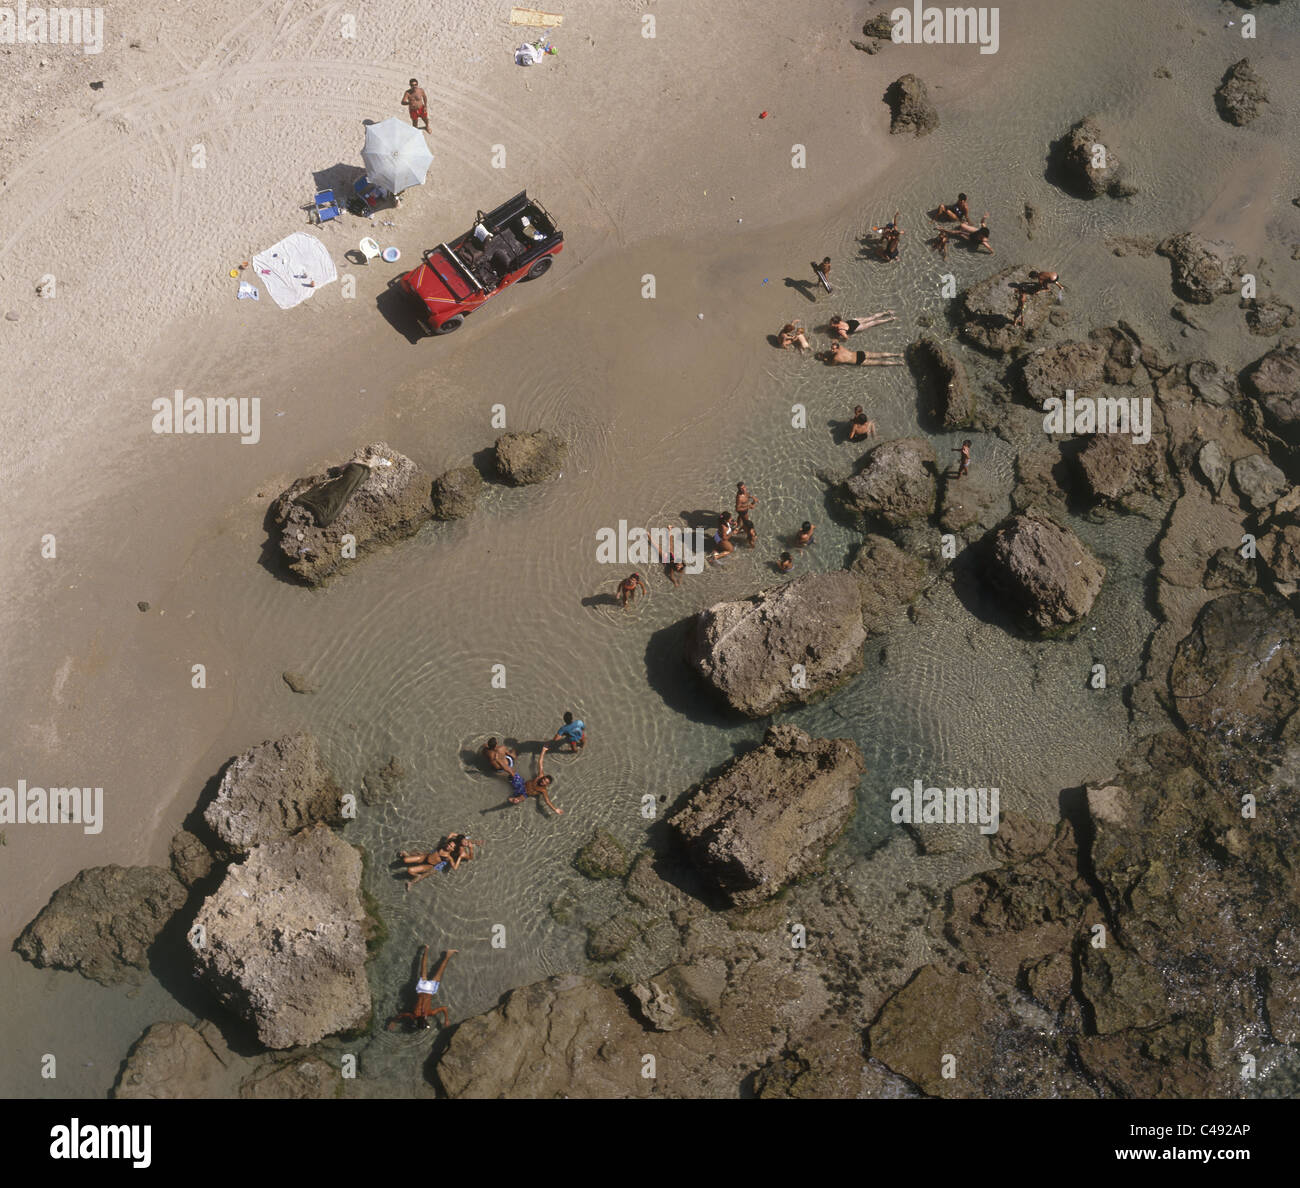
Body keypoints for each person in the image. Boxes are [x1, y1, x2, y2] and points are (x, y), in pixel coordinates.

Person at [387, 947, 455, 1030]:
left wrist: (446, 1020)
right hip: (421, 989)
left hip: (430, 990)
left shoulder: (430, 1013)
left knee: (440, 970)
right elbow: (401, 1015)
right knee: (423, 968)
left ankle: (448, 954)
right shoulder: (413, 1015)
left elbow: (444, 1008)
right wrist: (394, 1021)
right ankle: (426, 949)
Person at [508, 746, 563, 814]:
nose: (543, 782)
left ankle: (512, 798)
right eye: (544, 780)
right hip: (522, 784)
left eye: (545, 782)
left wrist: (555, 809)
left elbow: (547, 801)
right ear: (543, 777)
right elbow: (540, 763)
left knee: (515, 800)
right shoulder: (540, 776)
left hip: (525, 794)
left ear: (547, 785)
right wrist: (543, 751)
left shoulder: (543, 790)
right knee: (512, 773)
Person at [819, 341, 903, 366]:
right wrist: (833, 344)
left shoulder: (836, 358)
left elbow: (832, 364)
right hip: (860, 353)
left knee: (879, 362)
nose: (831, 350)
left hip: (857, 361)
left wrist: (826, 360)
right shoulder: (841, 347)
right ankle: (897, 355)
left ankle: (897, 363)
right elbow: (835, 341)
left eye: (832, 349)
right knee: (879, 354)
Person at [828, 311, 896, 340]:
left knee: (873, 323)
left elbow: (846, 338)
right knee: (871, 317)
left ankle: (889, 319)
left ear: (836, 323)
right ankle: (887, 312)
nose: (830, 324)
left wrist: (837, 339)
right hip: (854, 321)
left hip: (856, 327)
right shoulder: (839, 320)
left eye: (831, 324)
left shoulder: (840, 331)